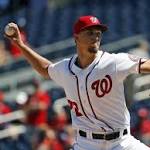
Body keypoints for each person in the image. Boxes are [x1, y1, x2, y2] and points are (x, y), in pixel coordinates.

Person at [4, 15, 150, 150]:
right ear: (76, 38)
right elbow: (45, 69)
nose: (96, 36)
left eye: (98, 32)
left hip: (121, 143)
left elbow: (146, 65)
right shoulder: (66, 69)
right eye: (90, 32)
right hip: (86, 145)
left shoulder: (113, 62)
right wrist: (21, 46)